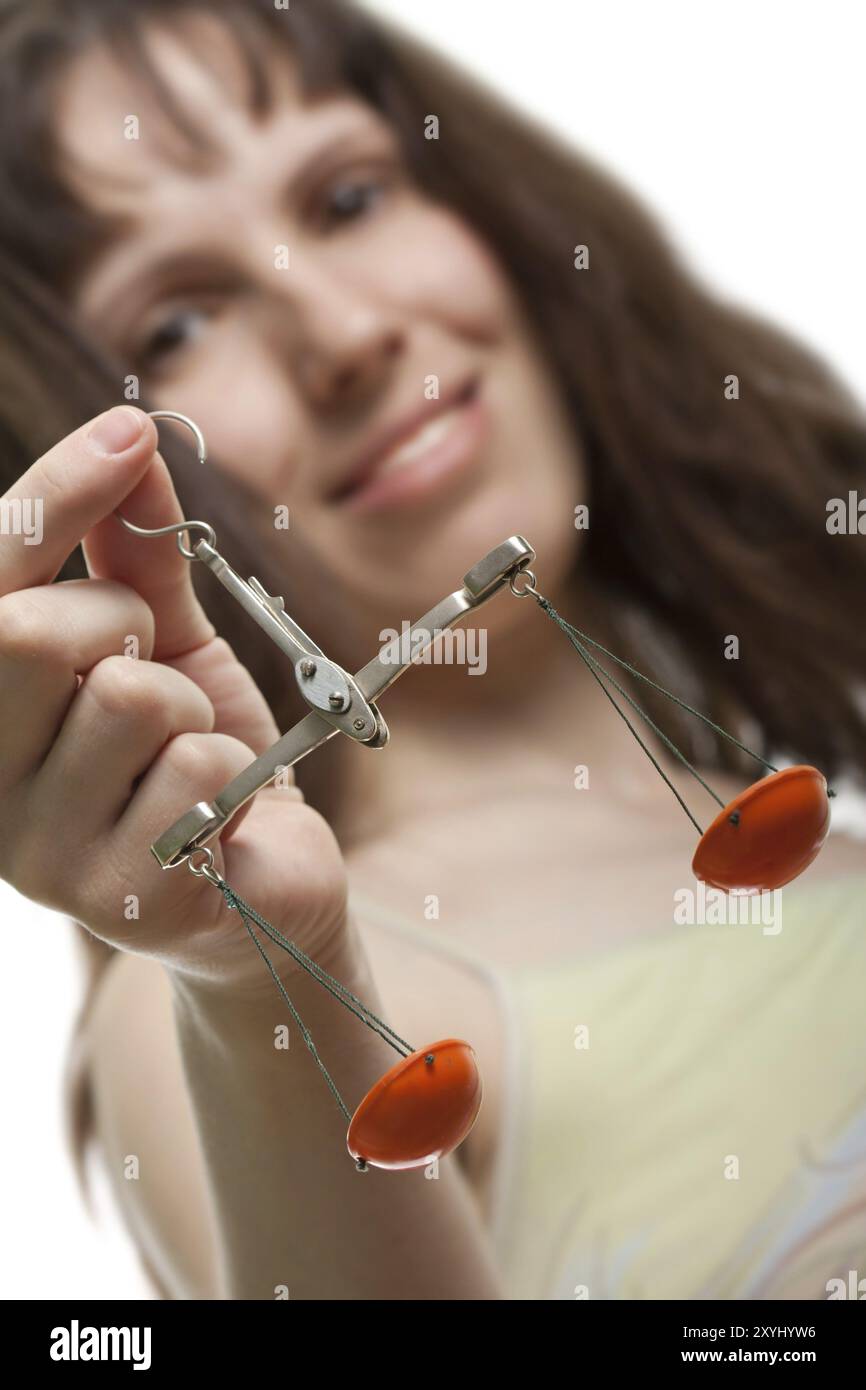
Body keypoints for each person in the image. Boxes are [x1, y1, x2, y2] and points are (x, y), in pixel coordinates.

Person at [1, 0, 865, 1301]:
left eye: (348, 199)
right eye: (174, 326)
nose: (345, 335)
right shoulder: (252, 986)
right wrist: (258, 975)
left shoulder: (804, 824)